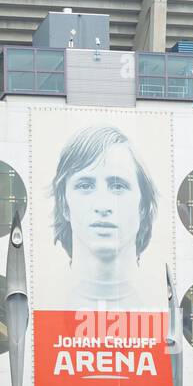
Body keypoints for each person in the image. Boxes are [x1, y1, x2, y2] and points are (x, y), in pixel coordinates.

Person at [50, 124, 159, 310]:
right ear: (64, 204)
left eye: (118, 186)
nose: (102, 206)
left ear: (142, 206)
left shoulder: (157, 305)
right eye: (85, 186)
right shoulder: (49, 304)